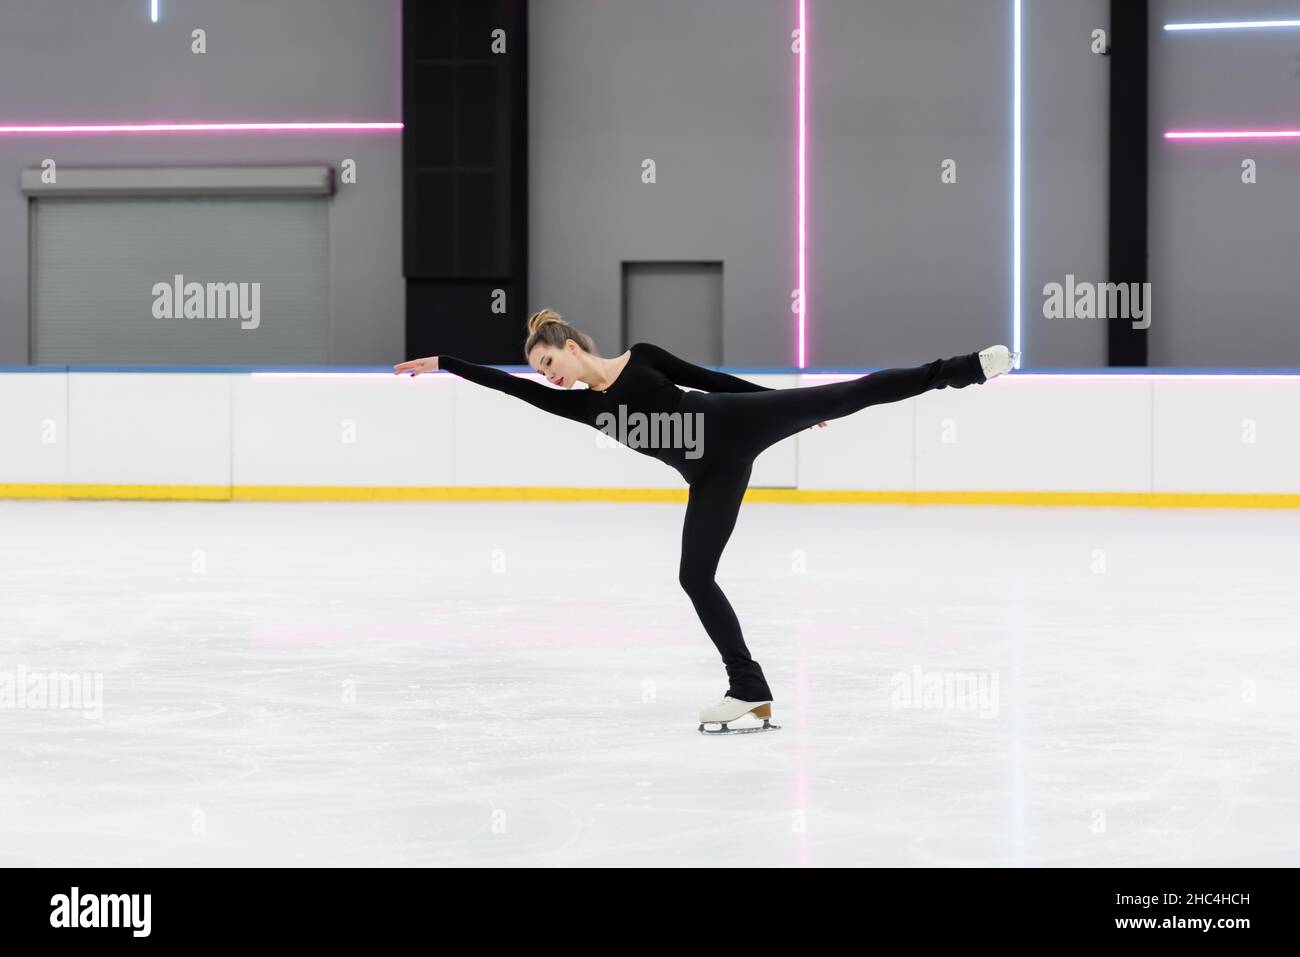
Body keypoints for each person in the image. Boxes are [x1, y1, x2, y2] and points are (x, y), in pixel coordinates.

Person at [395, 309, 1016, 734]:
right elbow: (509, 390)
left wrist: (782, 407)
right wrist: (447, 362)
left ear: (572, 346)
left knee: (847, 393)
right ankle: (749, 690)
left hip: (733, 422)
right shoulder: (579, 409)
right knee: (695, 577)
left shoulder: (643, 357)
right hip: (711, 476)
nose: (547, 374)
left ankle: (962, 369)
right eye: (540, 369)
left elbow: (709, 380)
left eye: (549, 360)